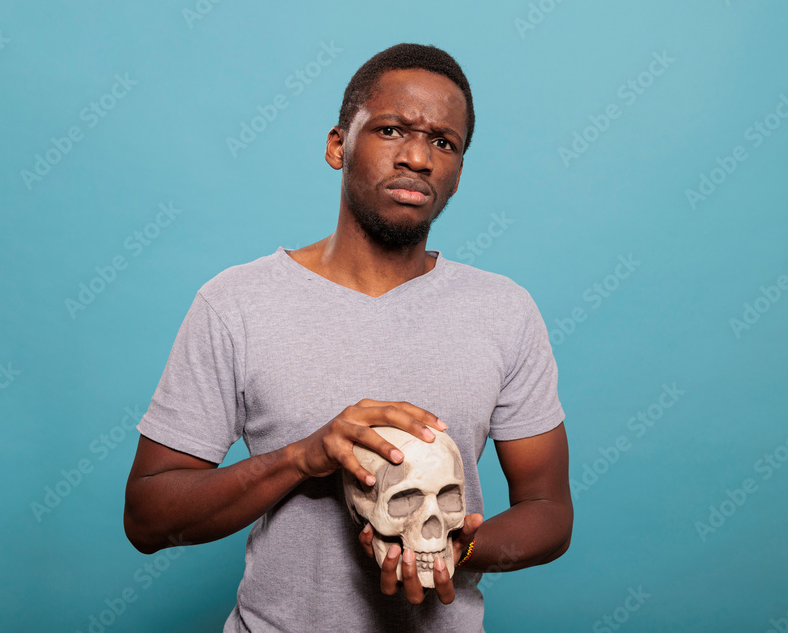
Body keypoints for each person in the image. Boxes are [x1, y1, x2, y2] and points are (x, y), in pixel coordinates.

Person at [123, 42, 573, 632]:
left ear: (459, 172)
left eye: (444, 142)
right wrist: (302, 457)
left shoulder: (503, 311)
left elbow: (549, 511)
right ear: (338, 145)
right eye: (390, 130)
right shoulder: (236, 303)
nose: (417, 157)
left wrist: (447, 552)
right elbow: (148, 518)